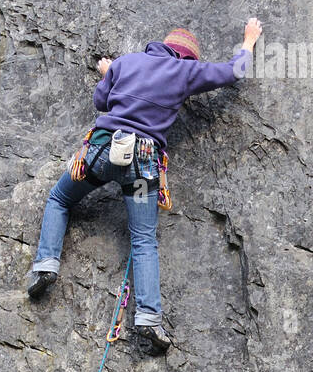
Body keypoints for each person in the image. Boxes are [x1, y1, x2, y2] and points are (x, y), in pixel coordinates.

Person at [28, 18, 264, 353]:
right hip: (140, 167)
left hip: (101, 154)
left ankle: (46, 265)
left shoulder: (126, 63)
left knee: (61, 199)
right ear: (186, 59)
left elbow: (101, 102)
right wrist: (249, 40)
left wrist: (111, 74)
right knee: (142, 239)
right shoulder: (184, 72)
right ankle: (148, 319)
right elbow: (234, 71)